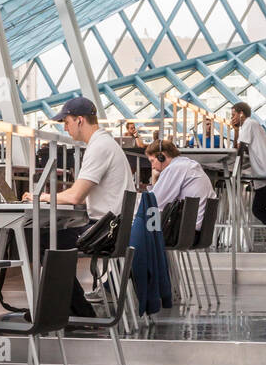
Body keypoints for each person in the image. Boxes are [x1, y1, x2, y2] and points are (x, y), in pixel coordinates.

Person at [23, 97, 132, 316]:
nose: (65, 127)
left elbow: (76, 196)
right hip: (114, 227)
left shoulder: (99, 147)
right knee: (51, 238)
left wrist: (41, 196)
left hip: (106, 231)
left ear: (80, 120)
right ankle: (67, 306)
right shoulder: (105, 143)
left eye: (67, 121)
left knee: (39, 240)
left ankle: (74, 310)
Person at [231, 100, 266, 248]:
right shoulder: (251, 125)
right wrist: (235, 130)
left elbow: (239, 148)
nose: (232, 118)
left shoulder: (248, 124)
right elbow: (241, 146)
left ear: (241, 114)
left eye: (233, 115)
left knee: (258, 209)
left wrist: (236, 131)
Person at [144, 139, 215, 231]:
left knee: (132, 230)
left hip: (185, 233)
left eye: (152, 161)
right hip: (199, 231)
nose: (152, 166)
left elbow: (154, 203)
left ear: (161, 156)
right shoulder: (188, 164)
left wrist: (154, 178)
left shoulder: (175, 168)